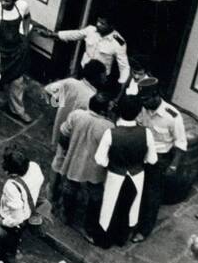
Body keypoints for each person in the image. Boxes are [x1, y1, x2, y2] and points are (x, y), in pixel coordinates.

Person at [91, 93, 157, 248]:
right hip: (136, 175)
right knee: (129, 207)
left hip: (115, 175)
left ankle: (105, 240)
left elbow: (99, 159)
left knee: (110, 207)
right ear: (139, 112)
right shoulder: (146, 133)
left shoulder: (111, 133)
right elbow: (152, 159)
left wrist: (112, 163)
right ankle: (121, 238)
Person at [43, 60, 106, 218]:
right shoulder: (93, 97)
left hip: (61, 130)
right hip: (76, 136)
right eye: (103, 75)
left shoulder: (70, 83)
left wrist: (58, 107)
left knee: (57, 162)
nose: (105, 79)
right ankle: (57, 199)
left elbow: (48, 90)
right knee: (69, 168)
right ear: (96, 77)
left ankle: (51, 195)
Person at [133, 77, 187, 244]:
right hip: (140, 153)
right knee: (134, 189)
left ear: (156, 95)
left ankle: (143, 230)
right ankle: (130, 222)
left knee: (151, 195)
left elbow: (181, 143)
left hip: (159, 158)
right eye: (141, 99)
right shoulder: (142, 108)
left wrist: (174, 165)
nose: (143, 103)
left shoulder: (172, 116)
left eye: (146, 99)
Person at [56, 94, 113, 234]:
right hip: (95, 166)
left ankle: (66, 215)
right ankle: (89, 225)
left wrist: (66, 150)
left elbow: (63, 134)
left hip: (75, 158)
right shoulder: (109, 126)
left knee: (70, 187)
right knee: (95, 194)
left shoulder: (76, 115)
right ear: (103, 111)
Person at [40, 16, 130, 92]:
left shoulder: (118, 42)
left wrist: (122, 84)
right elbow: (74, 34)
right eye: (98, 21)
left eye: (103, 23)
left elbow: (124, 66)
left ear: (111, 26)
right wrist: (53, 34)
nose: (98, 24)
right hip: (83, 69)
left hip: (99, 78)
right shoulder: (91, 30)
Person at [0, 149, 40, 263]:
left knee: (8, 256)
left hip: (14, 224)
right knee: (4, 252)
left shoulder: (11, 186)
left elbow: (16, 217)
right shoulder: (35, 167)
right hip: (27, 216)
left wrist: (3, 222)